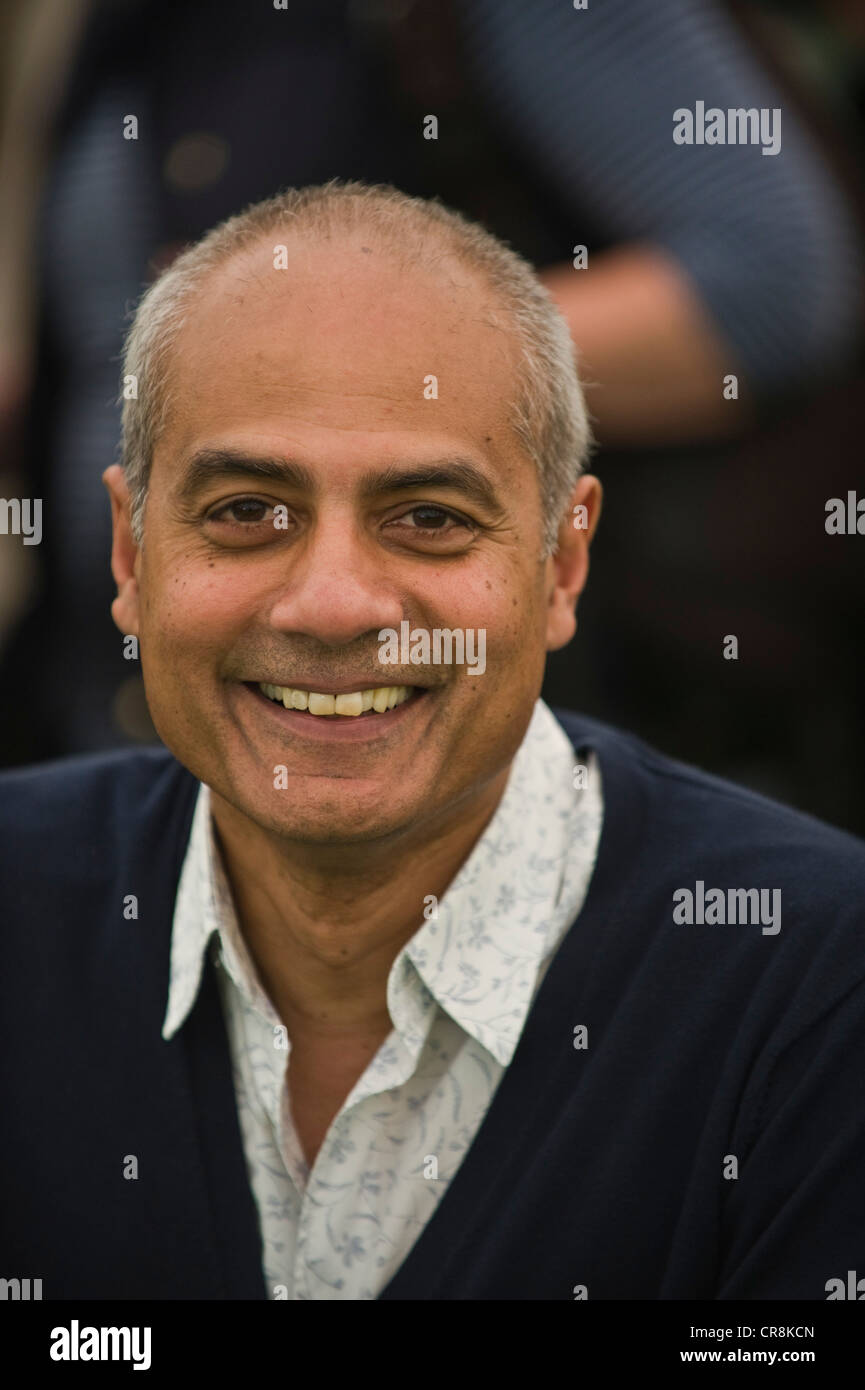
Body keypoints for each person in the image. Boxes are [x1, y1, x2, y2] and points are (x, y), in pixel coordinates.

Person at [1, 181, 863, 1301]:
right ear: (129, 555)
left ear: (561, 564)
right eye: (247, 510)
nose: (333, 603)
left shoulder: (817, 992)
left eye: (429, 518)